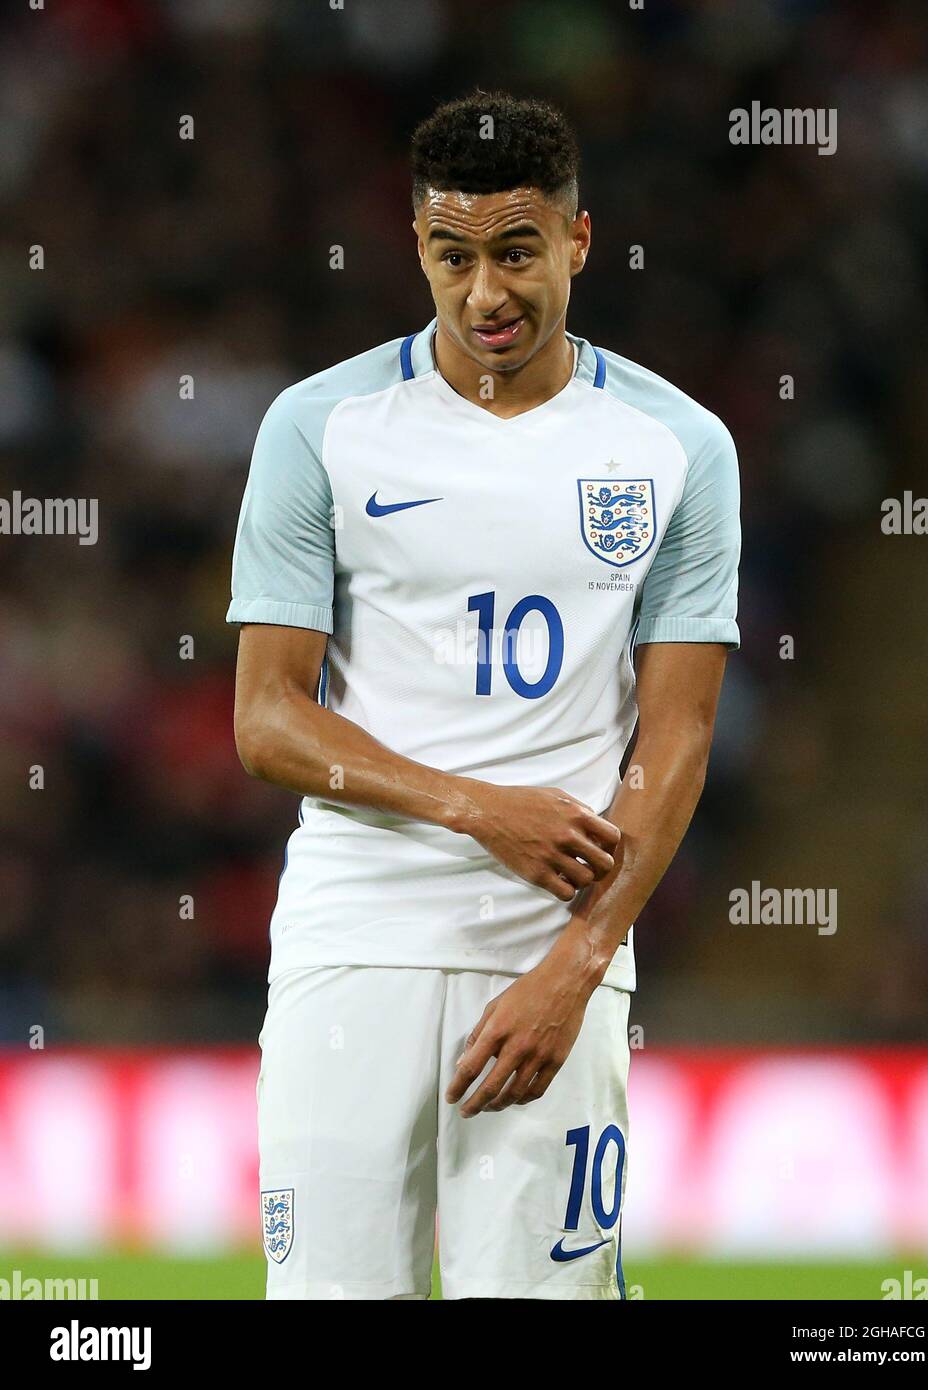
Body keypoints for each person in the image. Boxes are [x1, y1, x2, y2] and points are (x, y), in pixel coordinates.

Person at [227, 89, 740, 1301]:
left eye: (516, 252)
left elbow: (679, 737)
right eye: (453, 256)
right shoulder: (319, 428)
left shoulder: (679, 446)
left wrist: (579, 962)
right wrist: (476, 806)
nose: (485, 294)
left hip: (553, 943)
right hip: (354, 938)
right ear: (417, 246)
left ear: (577, 240)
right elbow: (265, 719)